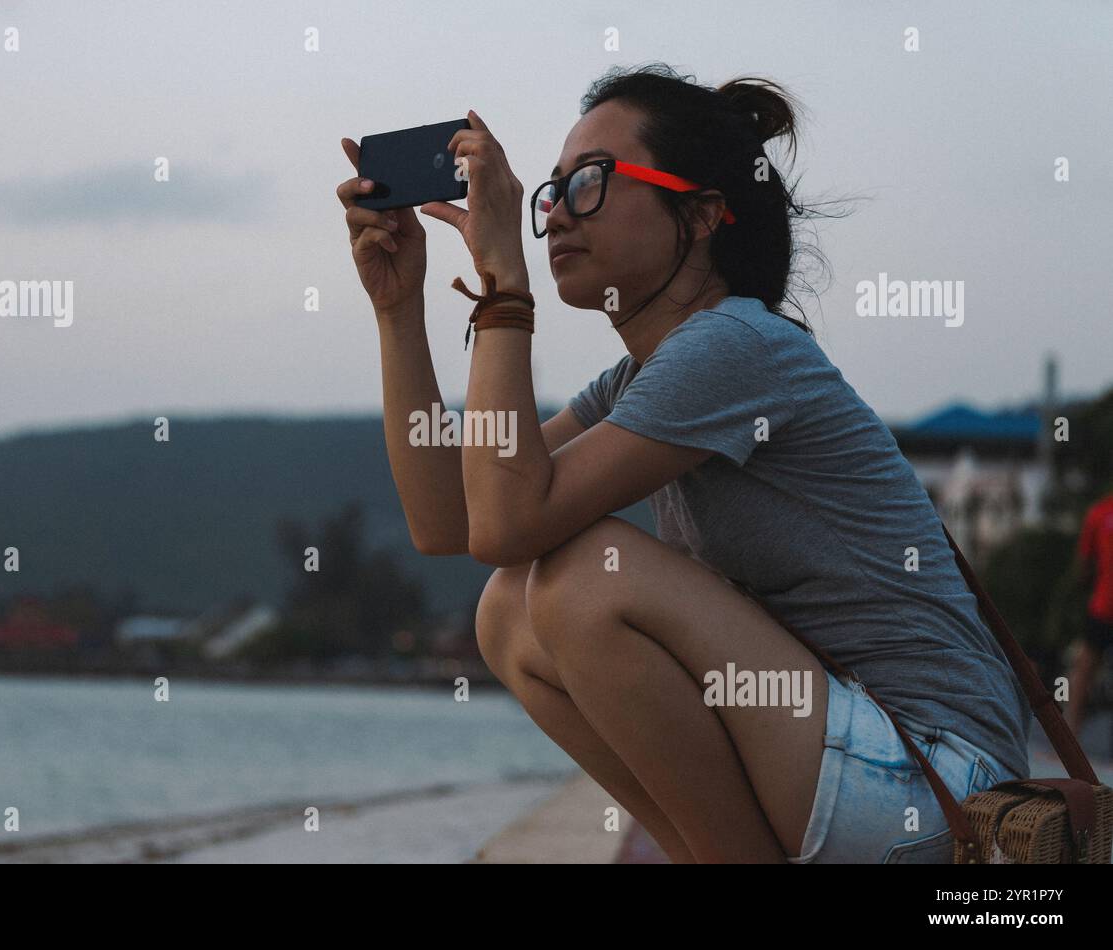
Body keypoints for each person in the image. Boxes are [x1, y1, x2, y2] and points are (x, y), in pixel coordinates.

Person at [335, 63, 1031, 863]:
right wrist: (398, 308)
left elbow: (508, 520)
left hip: (938, 780)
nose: (555, 210)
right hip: (850, 757)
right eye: (552, 189)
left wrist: (504, 282)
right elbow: (450, 521)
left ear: (699, 216)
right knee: (508, 610)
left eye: (588, 181)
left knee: (582, 574)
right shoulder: (645, 377)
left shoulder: (735, 344)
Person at [1064, 489, 1113, 736]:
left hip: (1103, 604)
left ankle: (1069, 734)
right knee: (1084, 667)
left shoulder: (1099, 512)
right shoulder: (1099, 512)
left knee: (1084, 668)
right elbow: (1083, 565)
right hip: (1103, 607)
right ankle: (1070, 732)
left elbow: (1082, 567)